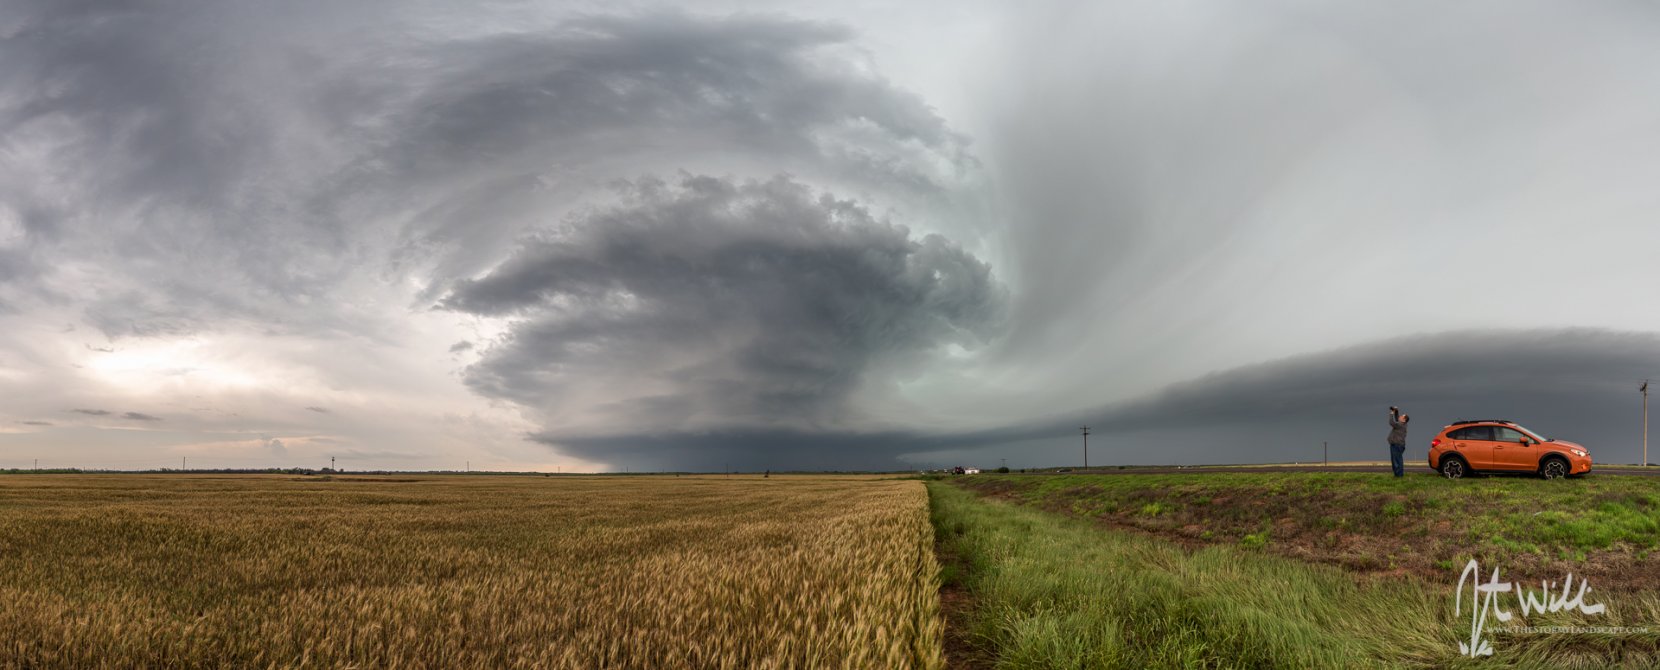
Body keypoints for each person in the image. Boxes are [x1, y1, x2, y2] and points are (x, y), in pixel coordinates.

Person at [1387, 406, 1409, 477]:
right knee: (1396, 460)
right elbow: (1397, 418)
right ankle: (1398, 475)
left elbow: (1391, 422)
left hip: (1397, 445)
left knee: (1396, 461)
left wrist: (1391, 413)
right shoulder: (1403, 424)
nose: (1400, 417)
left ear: (1404, 420)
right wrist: (1396, 411)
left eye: (1402, 416)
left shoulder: (1400, 425)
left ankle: (1399, 476)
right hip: (1398, 445)